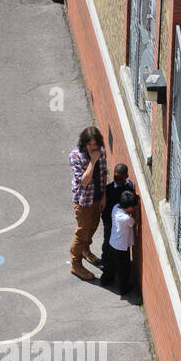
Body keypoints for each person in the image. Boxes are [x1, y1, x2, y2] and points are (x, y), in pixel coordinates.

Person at [69, 126, 107, 280]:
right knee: (82, 232)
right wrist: (93, 161)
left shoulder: (101, 151)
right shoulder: (75, 156)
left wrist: (104, 195)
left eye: (95, 144)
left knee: (93, 227)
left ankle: (86, 250)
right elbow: (84, 181)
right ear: (84, 142)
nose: (93, 147)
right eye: (90, 144)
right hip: (84, 201)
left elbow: (104, 173)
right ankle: (75, 264)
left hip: (97, 198)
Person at [101, 189, 137, 294]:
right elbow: (133, 222)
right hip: (121, 247)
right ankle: (123, 288)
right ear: (128, 207)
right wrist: (134, 214)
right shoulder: (126, 218)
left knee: (110, 264)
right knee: (124, 269)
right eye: (133, 207)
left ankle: (105, 280)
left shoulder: (115, 207)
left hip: (113, 243)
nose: (134, 208)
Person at [101, 163, 134, 257]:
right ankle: (105, 259)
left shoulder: (129, 188)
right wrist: (106, 221)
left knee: (119, 243)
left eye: (120, 178)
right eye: (115, 177)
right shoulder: (108, 189)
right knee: (107, 239)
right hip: (109, 221)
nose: (117, 180)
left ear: (126, 176)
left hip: (121, 223)